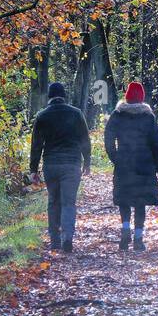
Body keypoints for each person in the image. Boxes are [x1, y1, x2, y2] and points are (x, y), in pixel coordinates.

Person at [28, 82, 91, 253]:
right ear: (64, 95)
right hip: (71, 164)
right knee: (68, 202)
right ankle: (67, 238)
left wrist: (33, 169)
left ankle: (55, 240)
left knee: (53, 201)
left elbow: (36, 145)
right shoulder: (76, 113)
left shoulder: (42, 116)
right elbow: (85, 139)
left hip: (51, 165)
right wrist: (87, 162)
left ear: (49, 96)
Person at [103, 81, 158, 252]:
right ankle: (138, 238)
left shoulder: (118, 114)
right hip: (144, 165)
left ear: (127, 97)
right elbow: (156, 144)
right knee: (140, 202)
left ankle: (125, 228)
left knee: (124, 198)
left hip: (124, 163)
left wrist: (115, 157)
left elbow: (108, 137)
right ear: (142, 97)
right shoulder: (148, 117)